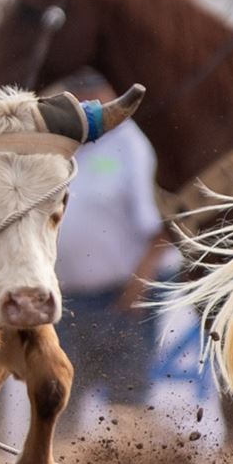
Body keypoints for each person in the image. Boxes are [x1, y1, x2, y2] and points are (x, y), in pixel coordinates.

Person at [50, 82, 170, 434]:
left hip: (123, 298)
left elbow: (161, 227)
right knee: (59, 401)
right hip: (67, 302)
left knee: (126, 403)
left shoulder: (132, 143)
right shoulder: (59, 147)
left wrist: (137, 289)